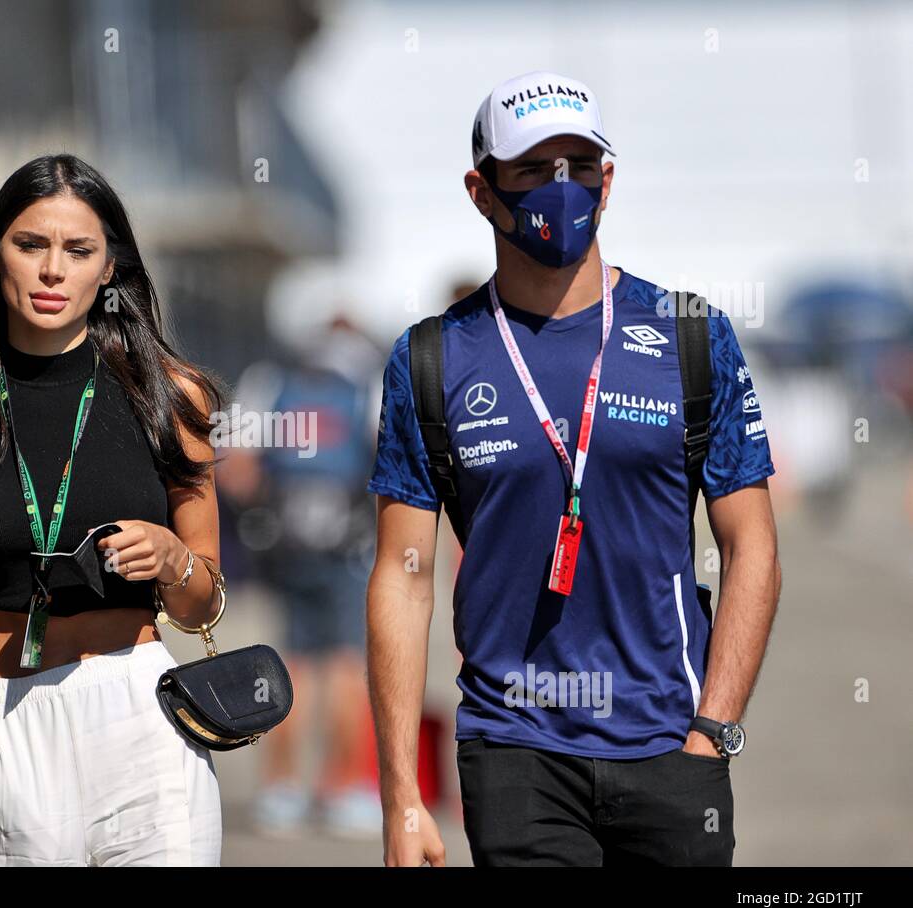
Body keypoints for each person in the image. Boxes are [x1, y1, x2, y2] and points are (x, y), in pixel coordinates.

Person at [366, 71, 782, 866]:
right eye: (530, 171)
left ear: (608, 179)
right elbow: (401, 576)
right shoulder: (429, 357)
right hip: (514, 750)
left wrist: (714, 730)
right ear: (480, 190)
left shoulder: (691, 335)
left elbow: (751, 548)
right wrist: (401, 797)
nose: (560, 191)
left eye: (578, 167)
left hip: (671, 745)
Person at [0, 154, 227, 867]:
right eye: (30, 244)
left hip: (144, 718)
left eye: (78, 251)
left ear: (108, 269)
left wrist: (173, 558)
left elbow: (203, 606)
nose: (51, 270)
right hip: (9, 724)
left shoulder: (172, 396)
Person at [231, 315, 383, 837]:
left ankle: (282, 789)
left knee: (290, 661)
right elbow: (390, 460)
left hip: (286, 544)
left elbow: (235, 467)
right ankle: (346, 789)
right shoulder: (367, 380)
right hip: (349, 545)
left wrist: (264, 514)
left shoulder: (273, 381)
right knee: (347, 665)